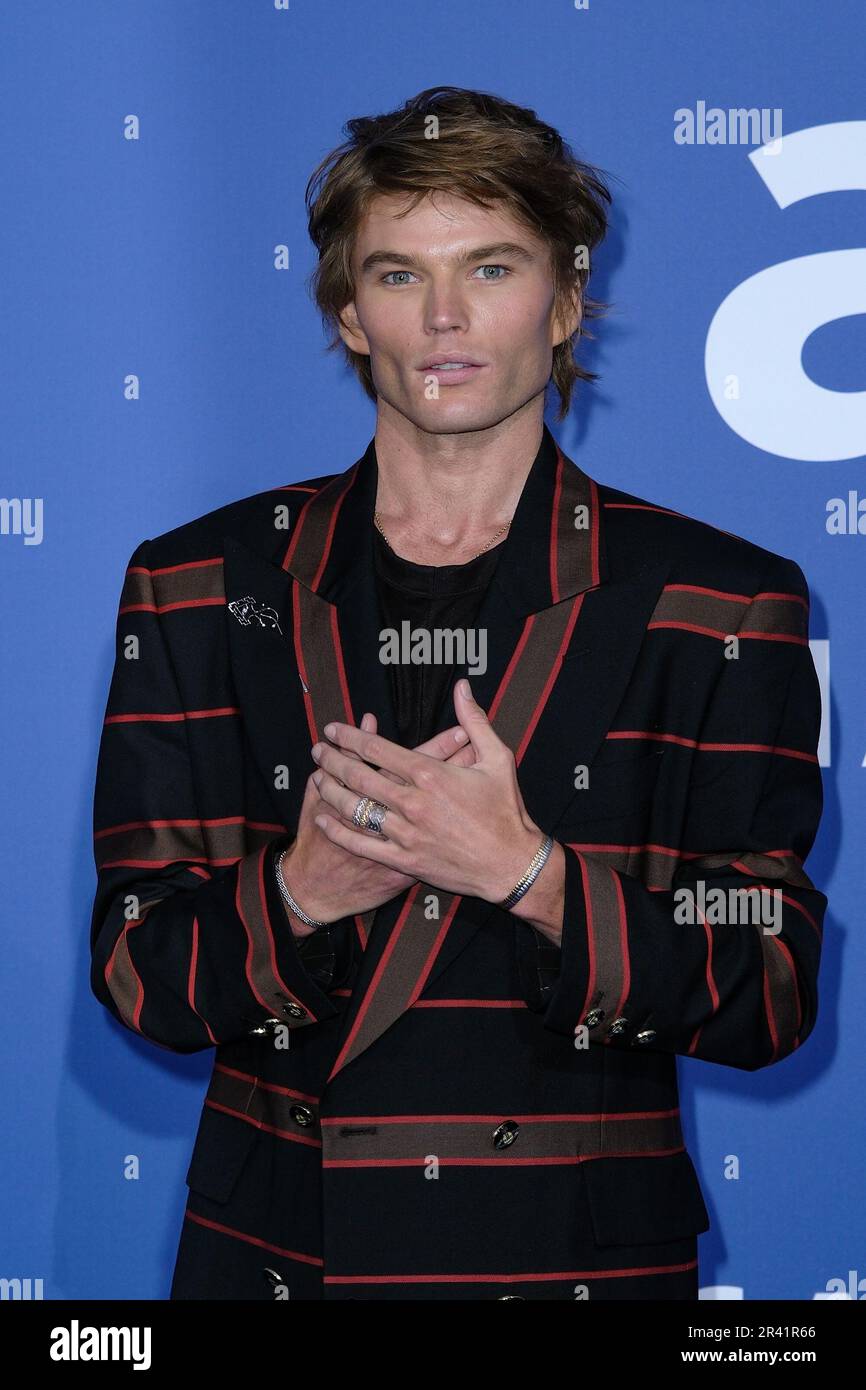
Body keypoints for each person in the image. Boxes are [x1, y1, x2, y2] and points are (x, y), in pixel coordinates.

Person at [89, 86, 826, 1300]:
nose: (443, 316)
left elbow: (773, 981)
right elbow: (137, 968)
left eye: (490, 267)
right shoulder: (197, 583)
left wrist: (531, 879)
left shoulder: (716, 599)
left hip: (571, 1263)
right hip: (286, 1258)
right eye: (396, 274)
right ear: (345, 313)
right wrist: (298, 892)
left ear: (567, 301)